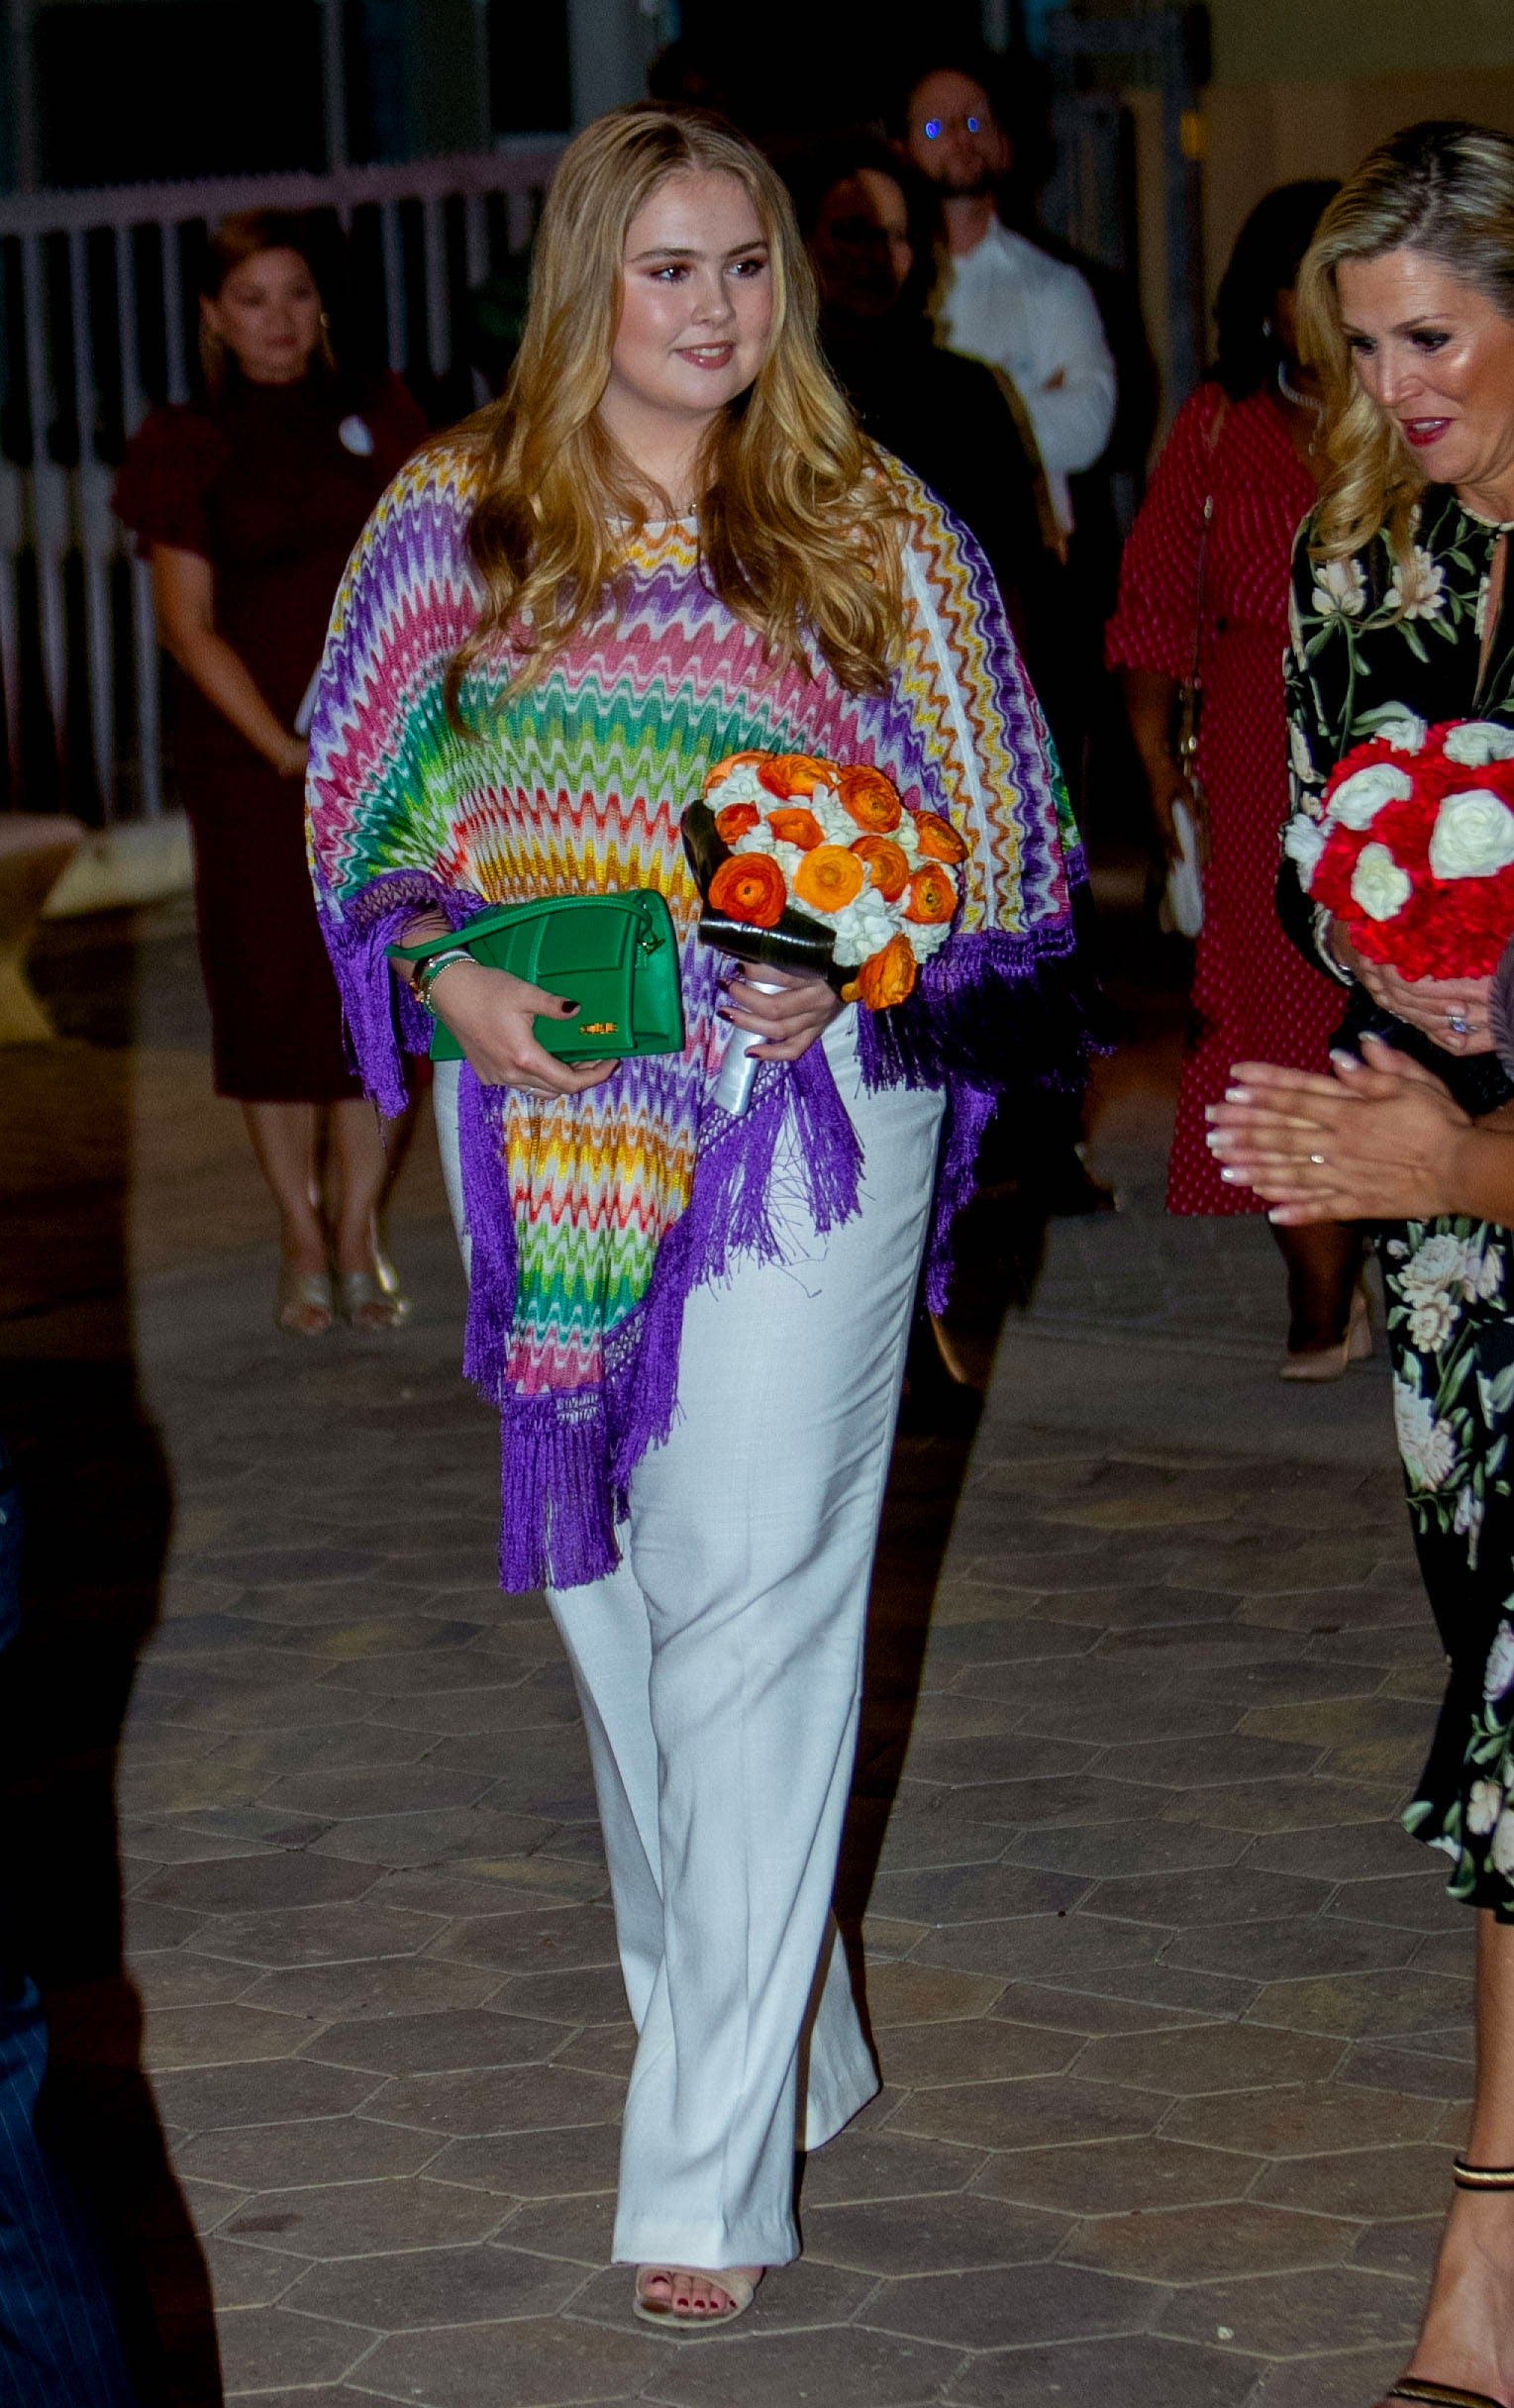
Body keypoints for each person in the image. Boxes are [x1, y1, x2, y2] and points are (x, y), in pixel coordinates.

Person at [307, 104, 1086, 2331]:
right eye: (668, 268)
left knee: (750, 1593)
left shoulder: (862, 523)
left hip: (805, 1119)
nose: (715, 309)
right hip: (538, 1121)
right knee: (627, 1611)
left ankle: (701, 2164)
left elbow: (1005, 844)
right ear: (586, 280)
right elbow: (361, 819)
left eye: (744, 267)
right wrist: (444, 970)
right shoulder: (452, 519)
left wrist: (848, 955)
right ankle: (784, 2027)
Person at [1210, 119, 1514, 2408]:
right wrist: (1404, 993)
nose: (1394, 385)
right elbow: (1329, 850)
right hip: (1451, 1247)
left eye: (1430, 335)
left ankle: (1476, 2287)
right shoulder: (1360, 570)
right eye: (1364, 348)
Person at [113, 212, 428, 1337]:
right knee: (271, 1002)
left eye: (296, 294)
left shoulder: (382, 417)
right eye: (252, 299)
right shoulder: (185, 442)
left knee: (379, 993)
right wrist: (284, 749)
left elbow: (429, 575)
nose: (279, 320)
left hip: (379, 763)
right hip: (252, 769)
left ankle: (360, 1233)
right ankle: (300, 1236)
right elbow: (186, 625)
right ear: (212, 315)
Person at [1107, 179, 1365, 1375]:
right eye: (1298, 278)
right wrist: (1158, 758)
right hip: (1258, 758)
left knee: (1399, 1015)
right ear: (1261, 303)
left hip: (1404, 751)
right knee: (1273, 1025)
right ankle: (1316, 1287)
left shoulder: (1420, 415)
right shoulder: (1215, 427)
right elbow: (1153, 603)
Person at [790, 133, 1058, 636]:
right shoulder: (767, 391)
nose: (877, 257)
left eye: (897, 235)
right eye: (854, 232)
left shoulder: (966, 393)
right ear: (803, 243)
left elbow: (1012, 581)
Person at [902, 58, 1116, 543]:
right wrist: (1021, 406)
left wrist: (938, 429)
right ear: (901, 150)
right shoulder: (876, 292)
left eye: (975, 121)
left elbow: (1088, 425)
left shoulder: (1053, 285)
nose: (960, 135)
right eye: (936, 126)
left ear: (1004, 147)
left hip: (1016, 560)